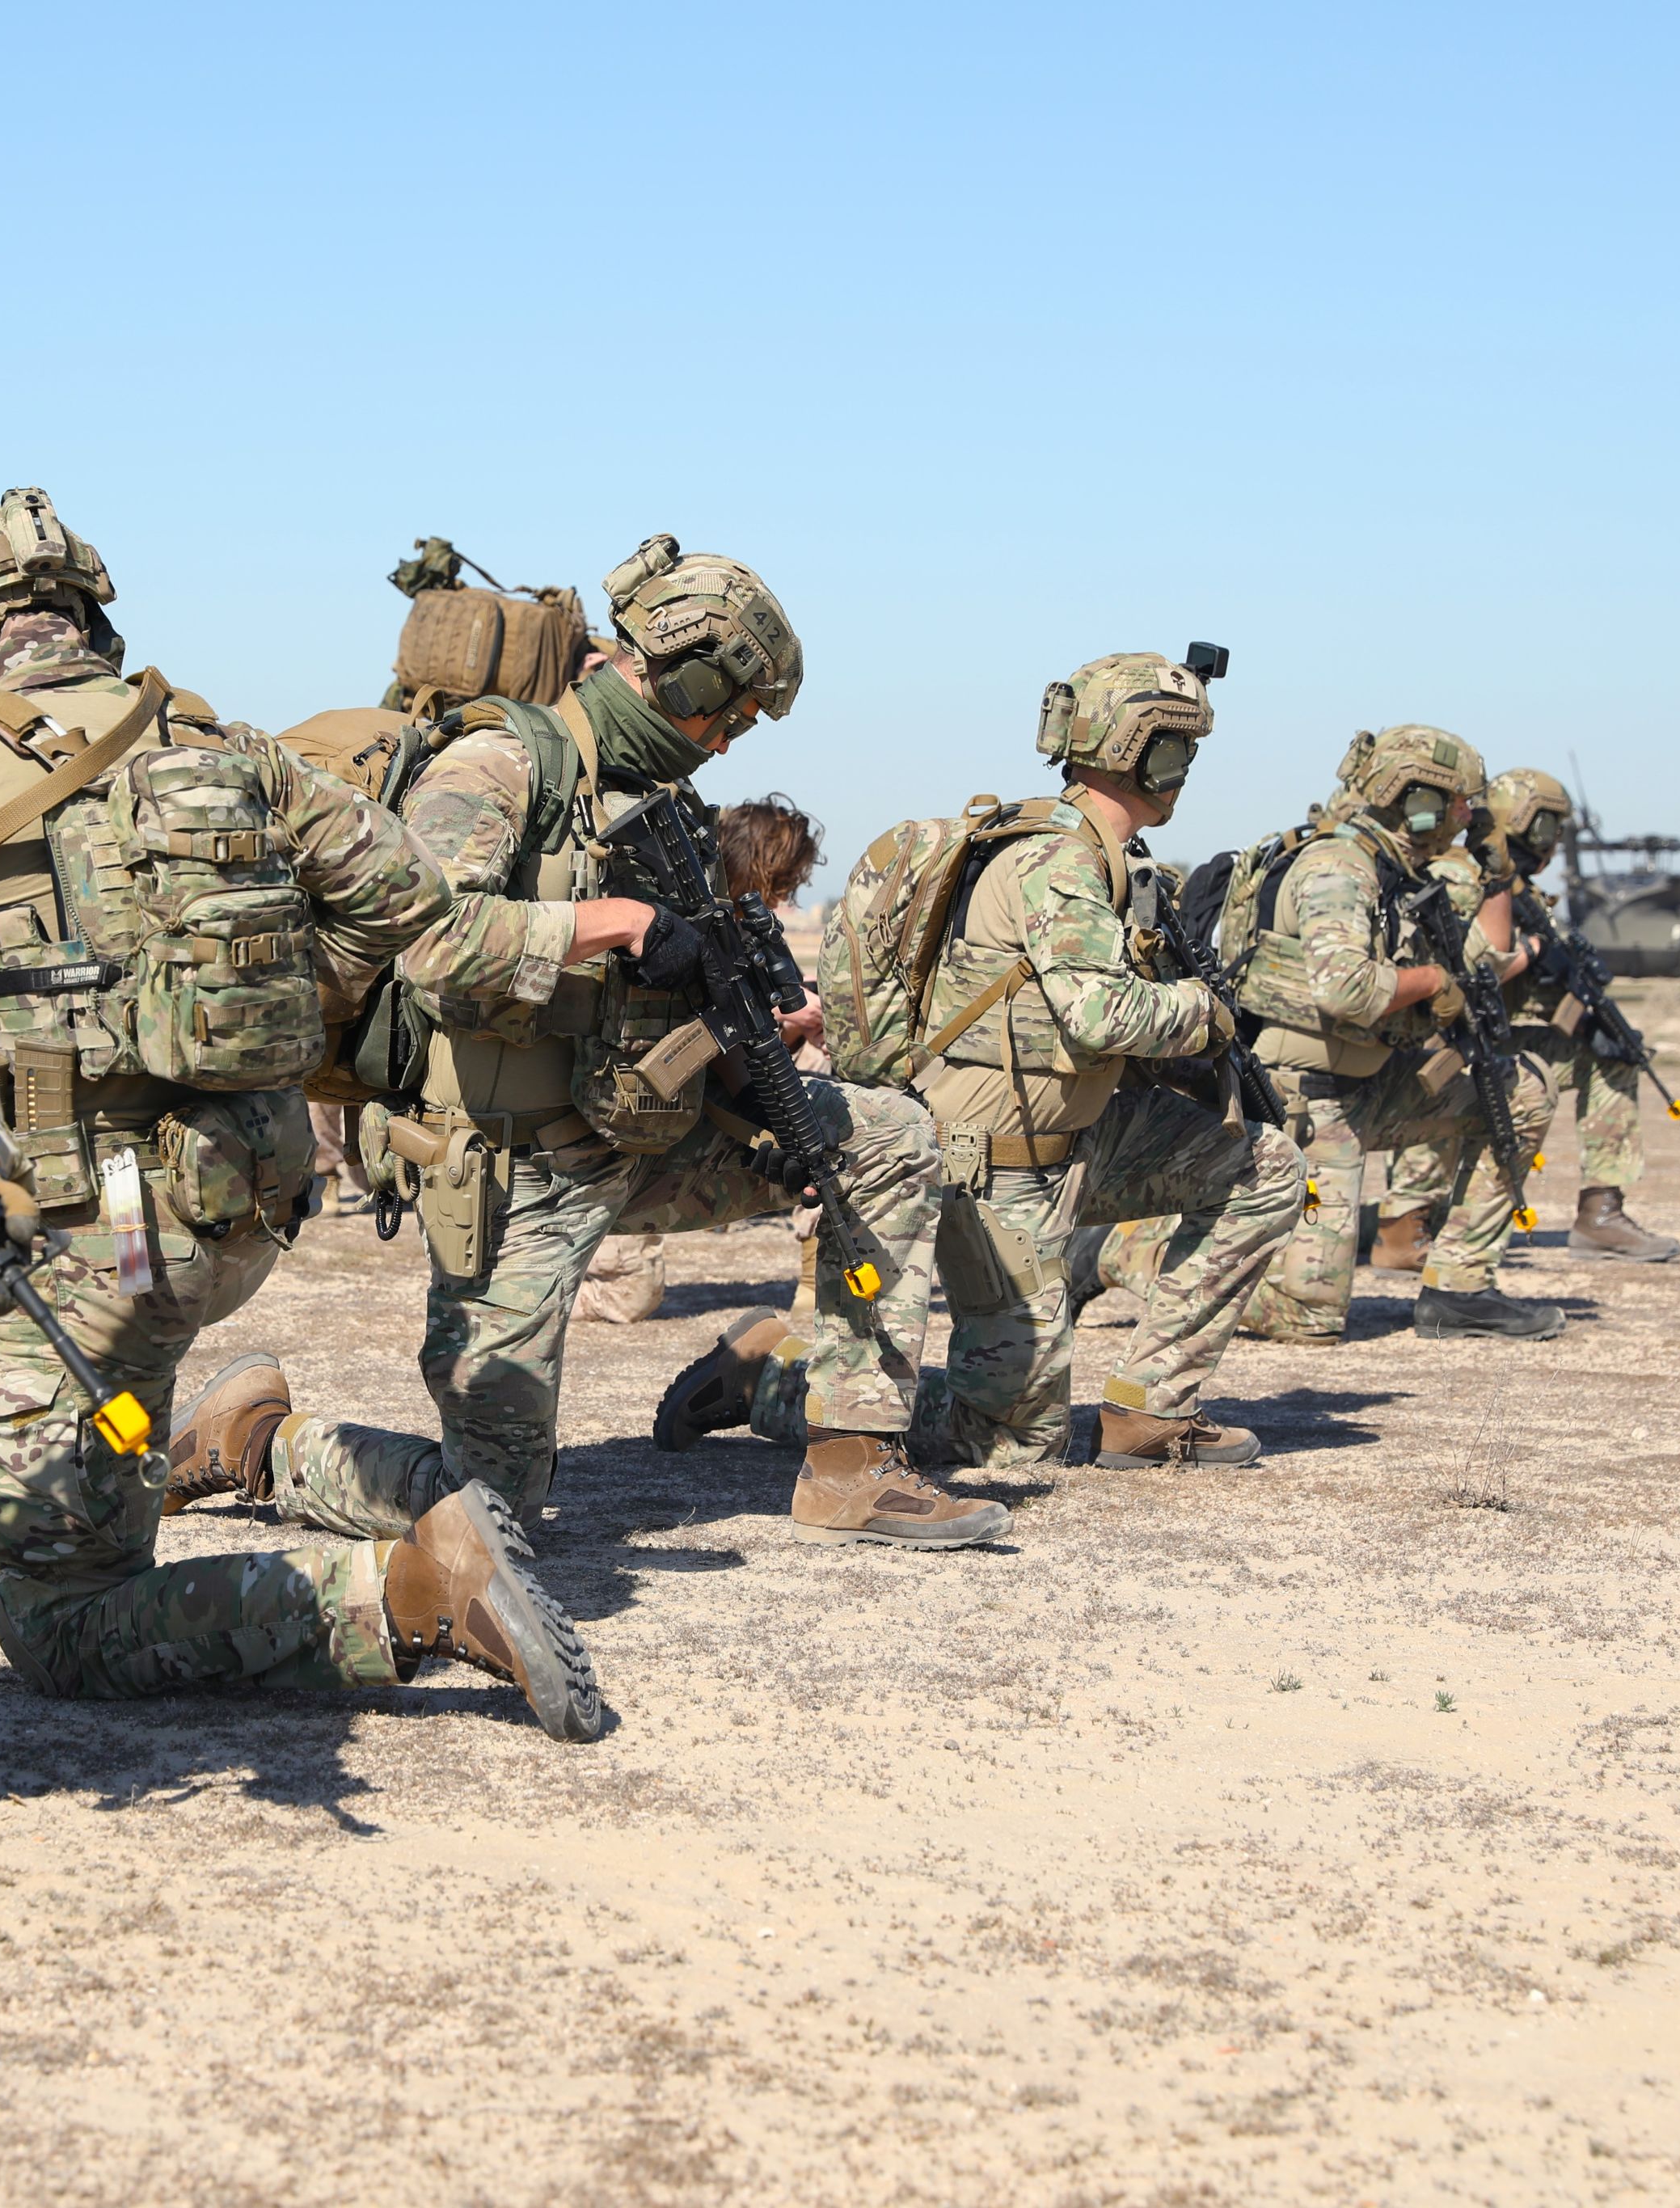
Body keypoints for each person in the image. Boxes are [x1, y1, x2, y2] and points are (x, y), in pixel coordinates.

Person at [0, 489, 602, 1742]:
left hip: (94, 1239)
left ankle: (414, 1591)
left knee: (61, 1618)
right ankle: (364, 1468)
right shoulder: (234, 747)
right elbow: (419, 912)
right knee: (132, 1397)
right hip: (244, 1203)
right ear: (88, 616)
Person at [243, 537, 996, 1547]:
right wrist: (620, 925)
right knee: (492, 1509)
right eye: (720, 712)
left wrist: (749, 1032)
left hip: (646, 1135)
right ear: (671, 670)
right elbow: (425, 939)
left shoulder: (668, 803)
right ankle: (258, 1442)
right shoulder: (501, 762)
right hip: (515, 1167)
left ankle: (854, 1460)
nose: (726, 742)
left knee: (888, 1139)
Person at [657, 654, 1306, 1471]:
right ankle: (773, 1380)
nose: (1186, 769)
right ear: (1145, 751)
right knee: (1009, 1442)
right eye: (1179, 747)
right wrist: (1208, 1012)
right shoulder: (1057, 863)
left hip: (1082, 1137)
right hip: (995, 1167)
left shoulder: (1116, 859)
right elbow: (1101, 1013)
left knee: (1265, 1165)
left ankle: (1153, 1407)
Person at [1214, 726, 1564, 1343]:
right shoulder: (1338, 867)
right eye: (1459, 802)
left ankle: (1461, 1288)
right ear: (1414, 796)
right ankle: (1121, 1252)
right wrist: (1430, 980)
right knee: (1310, 1318)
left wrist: (1497, 873)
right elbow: (1344, 989)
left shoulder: (1403, 871)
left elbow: (1490, 961)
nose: (1467, 816)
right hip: (1304, 1100)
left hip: (1374, 1086)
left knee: (1523, 1090)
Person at [1368, 768, 1680, 1266]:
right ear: (1530, 823)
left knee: (1612, 1056)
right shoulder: (1460, 874)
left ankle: (1601, 1212)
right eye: (1550, 827)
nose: (1555, 842)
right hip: (1433, 1040)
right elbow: (1466, 964)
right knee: (1452, 1070)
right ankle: (1404, 1226)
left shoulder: (1520, 888)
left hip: (1489, 1033)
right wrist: (1533, 951)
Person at [572, 795, 827, 1326]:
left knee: (823, 1109)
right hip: (610, 1122)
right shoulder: (680, 911)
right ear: (757, 869)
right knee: (628, 1296)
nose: (784, 902)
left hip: (671, 1119)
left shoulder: (731, 927)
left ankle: (815, 1267)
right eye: (780, 886)